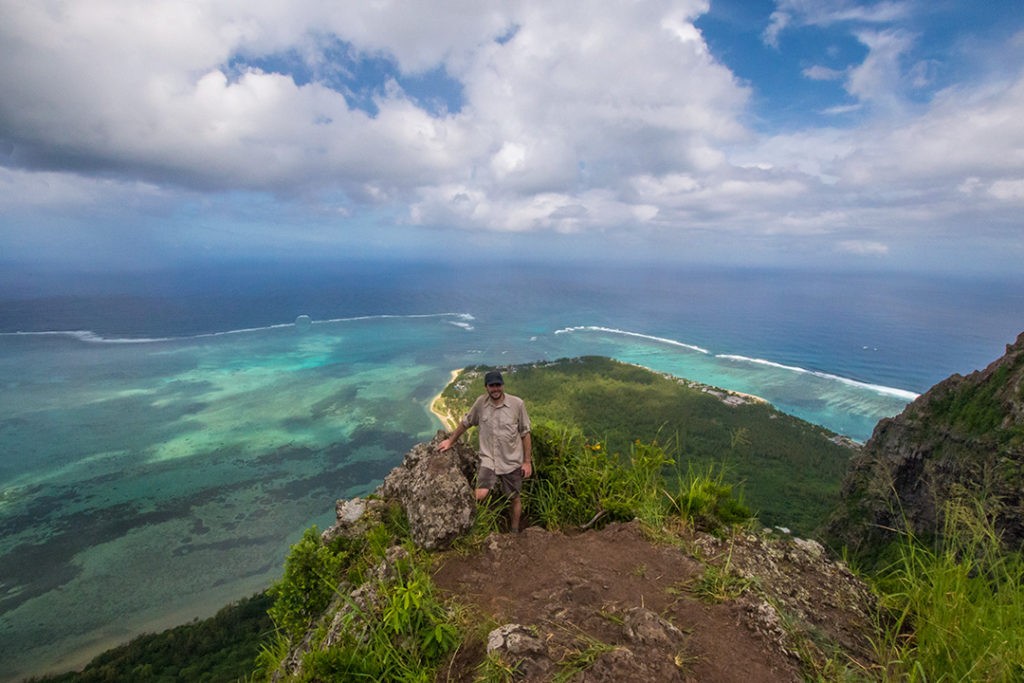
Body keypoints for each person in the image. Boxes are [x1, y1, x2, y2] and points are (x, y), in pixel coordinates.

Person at [439, 370, 532, 532]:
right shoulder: (480, 404)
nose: (495, 389)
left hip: (510, 460)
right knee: (480, 494)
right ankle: (475, 528)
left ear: (503, 385)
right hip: (489, 459)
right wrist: (451, 441)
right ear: (486, 387)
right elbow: (466, 423)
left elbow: (525, 434)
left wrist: (527, 462)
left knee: (514, 498)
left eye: (498, 385)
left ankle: (515, 530)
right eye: (491, 386)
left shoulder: (517, 404)